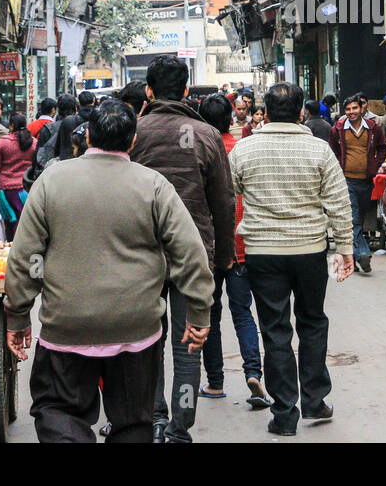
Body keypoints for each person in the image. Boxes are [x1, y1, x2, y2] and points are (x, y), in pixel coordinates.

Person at [4, 100, 214, 443]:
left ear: (88, 137)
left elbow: (25, 256)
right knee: (133, 423)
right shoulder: (154, 185)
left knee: (58, 412)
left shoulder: (51, 180)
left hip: (66, 328)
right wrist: (198, 312)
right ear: (132, 141)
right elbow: (190, 253)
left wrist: (18, 315)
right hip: (136, 329)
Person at [230, 82, 353, 436]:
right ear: (301, 112)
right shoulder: (319, 150)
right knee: (312, 322)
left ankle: (285, 414)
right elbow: (338, 202)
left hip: (262, 253)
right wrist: (345, 247)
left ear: (265, 112)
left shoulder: (244, 149)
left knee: (275, 330)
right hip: (309, 250)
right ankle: (314, 401)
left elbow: (229, 192)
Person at [128, 55, 237, 443]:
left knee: (148, 339)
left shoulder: (134, 132)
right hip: (195, 254)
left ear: (148, 91)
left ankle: (155, 418)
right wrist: (225, 254)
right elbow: (224, 200)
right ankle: (179, 427)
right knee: (190, 341)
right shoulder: (206, 134)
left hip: (141, 253)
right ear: (187, 91)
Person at [196, 94, 270, 409]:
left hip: (209, 249)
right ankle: (253, 372)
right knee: (242, 313)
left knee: (210, 315)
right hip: (240, 246)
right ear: (231, 119)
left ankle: (214, 383)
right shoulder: (242, 150)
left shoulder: (197, 152)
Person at [328, 94, 386, 275]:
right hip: (346, 180)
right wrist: (339, 167)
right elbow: (333, 150)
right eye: (348, 109)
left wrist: (376, 165)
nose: (351, 112)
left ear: (361, 109)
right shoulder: (338, 129)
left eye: (354, 108)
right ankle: (363, 253)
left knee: (359, 219)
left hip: (367, 180)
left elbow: (383, 147)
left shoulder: (373, 128)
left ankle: (353, 256)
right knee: (353, 219)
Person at [0, 112, 37, 241]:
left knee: (10, 224)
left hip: (5, 192)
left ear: (11, 125)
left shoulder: (2, 142)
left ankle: (11, 249)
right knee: (26, 223)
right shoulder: (33, 142)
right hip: (25, 190)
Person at [54, 90, 97, 161]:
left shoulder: (69, 121)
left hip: (68, 164)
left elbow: (59, 149)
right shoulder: (100, 120)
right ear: (94, 100)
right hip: (94, 164)